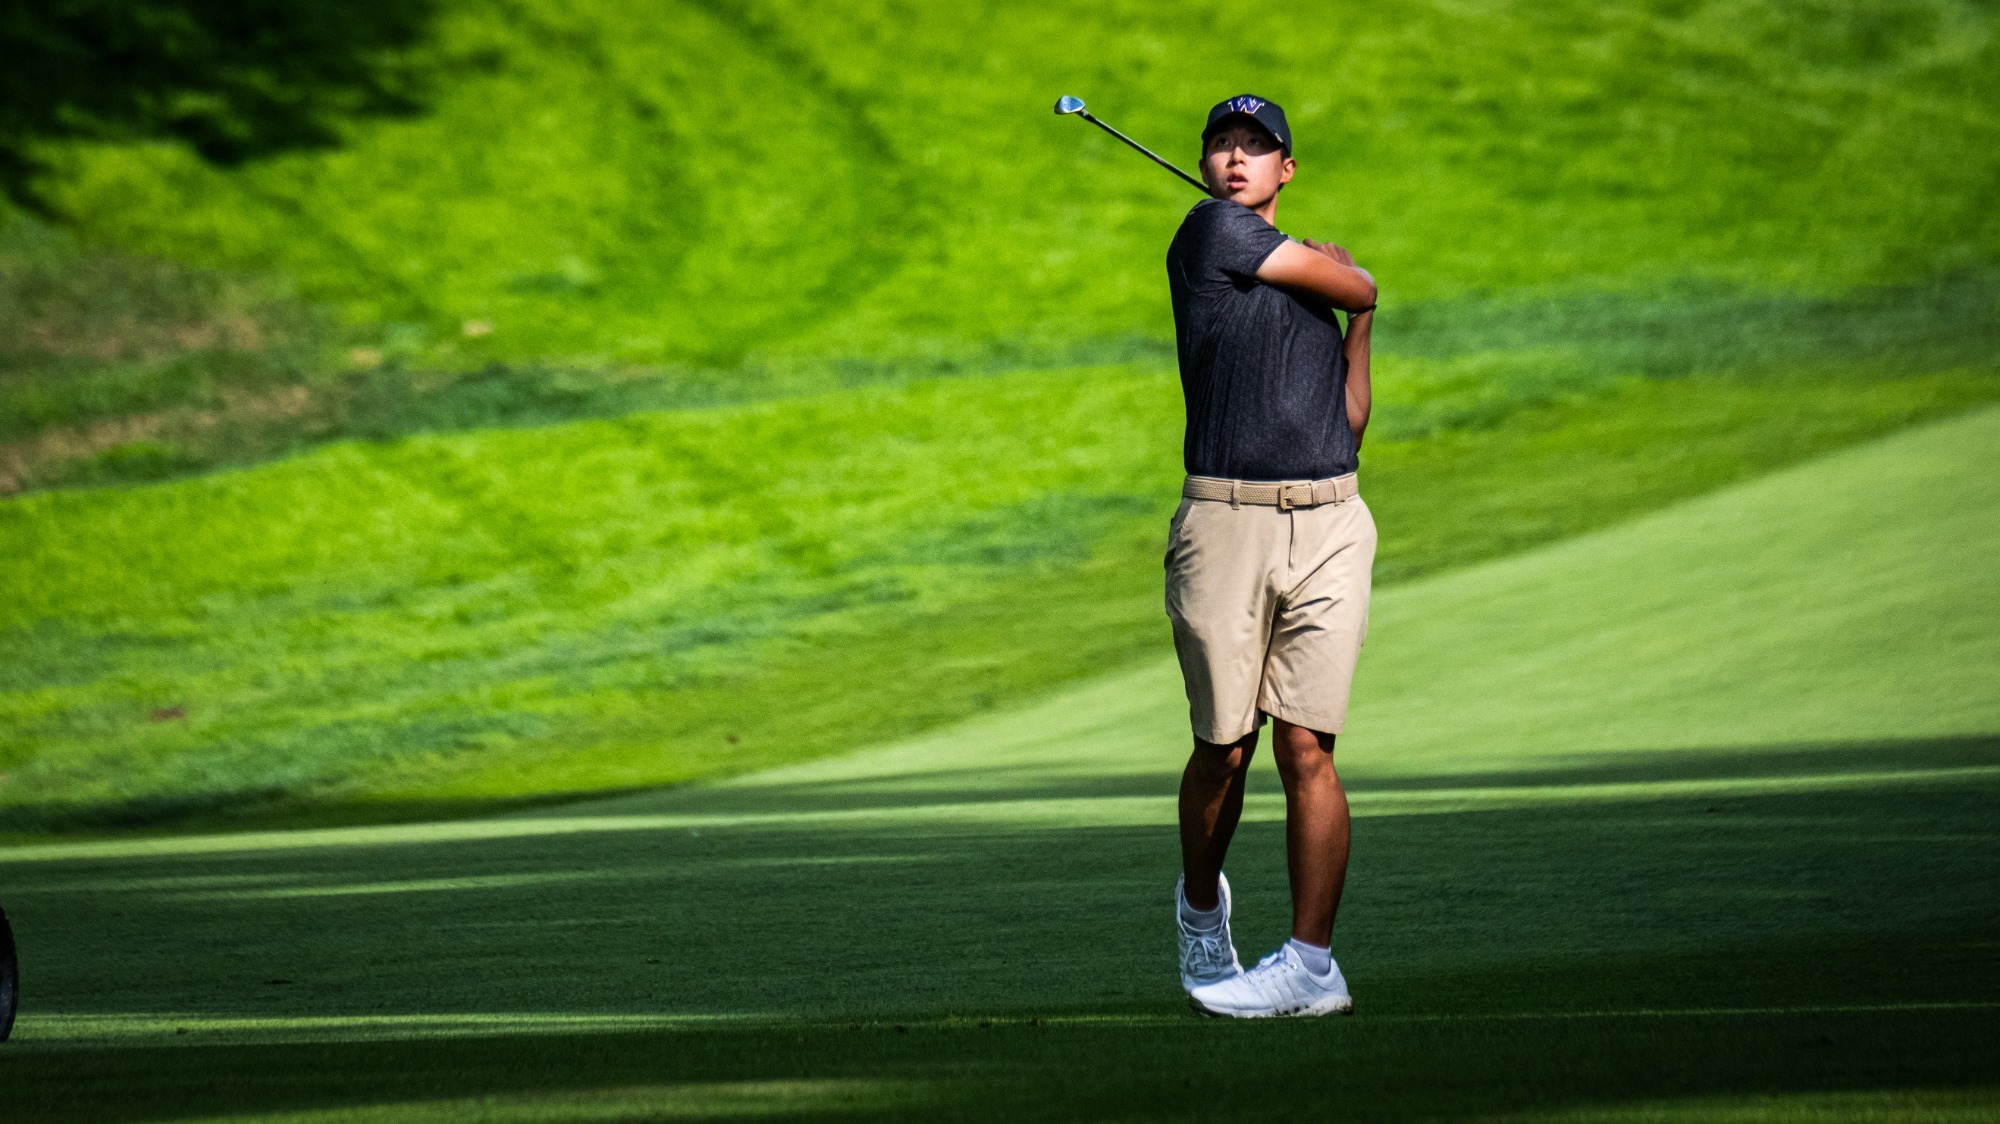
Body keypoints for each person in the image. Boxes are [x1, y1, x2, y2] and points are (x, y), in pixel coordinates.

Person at [1163, 95, 1378, 1018]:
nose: (1236, 159)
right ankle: (1202, 907)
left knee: (1308, 747)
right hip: (1226, 520)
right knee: (1226, 747)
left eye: (1257, 147)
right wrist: (1351, 278)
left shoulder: (1300, 286)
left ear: (1287, 168)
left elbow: (1351, 417)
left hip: (1331, 515)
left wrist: (1357, 315)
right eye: (1222, 145)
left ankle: (1311, 965)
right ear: (1208, 167)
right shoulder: (1211, 231)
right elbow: (1362, 283)